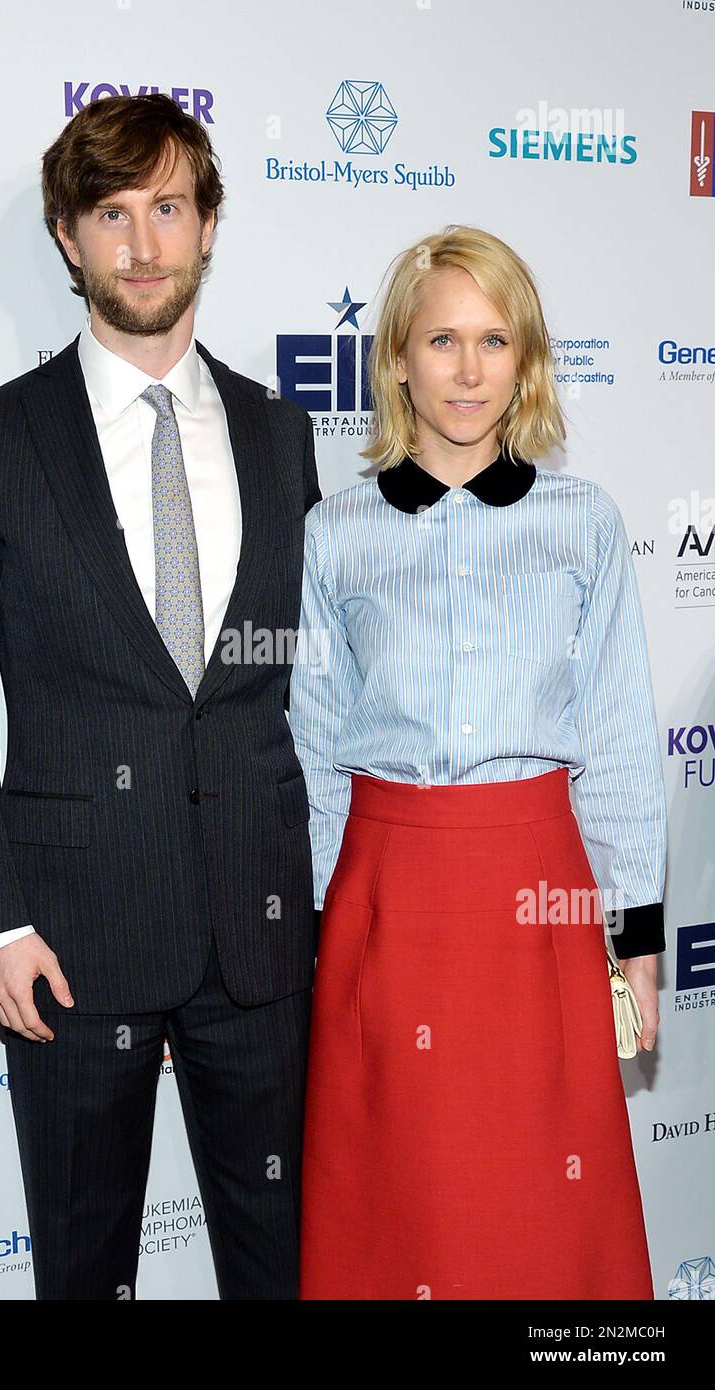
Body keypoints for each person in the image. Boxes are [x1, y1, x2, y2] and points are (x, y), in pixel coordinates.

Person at [0, 93, 321, 1301]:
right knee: (83, 1271)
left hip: (261, 930)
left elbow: (299, 685)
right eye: (111, 213)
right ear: (66, 234)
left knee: (280, 1264)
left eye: (169, 208)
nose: (144, 244)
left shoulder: (280, 431)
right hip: (68, 940)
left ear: (207, 227)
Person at [289, 225, 666, 1301]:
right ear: (398, 357)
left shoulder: (584, 526)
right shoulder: (336, 533)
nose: (467, 368)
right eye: (440, 338)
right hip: (385, 898)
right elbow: (313, 745)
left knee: (541, 1203)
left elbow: (620, 743)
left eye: (493, 338)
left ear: (527, 357)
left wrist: (633, 937)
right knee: (399, 1197)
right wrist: (331, 923)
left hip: (537, 900)